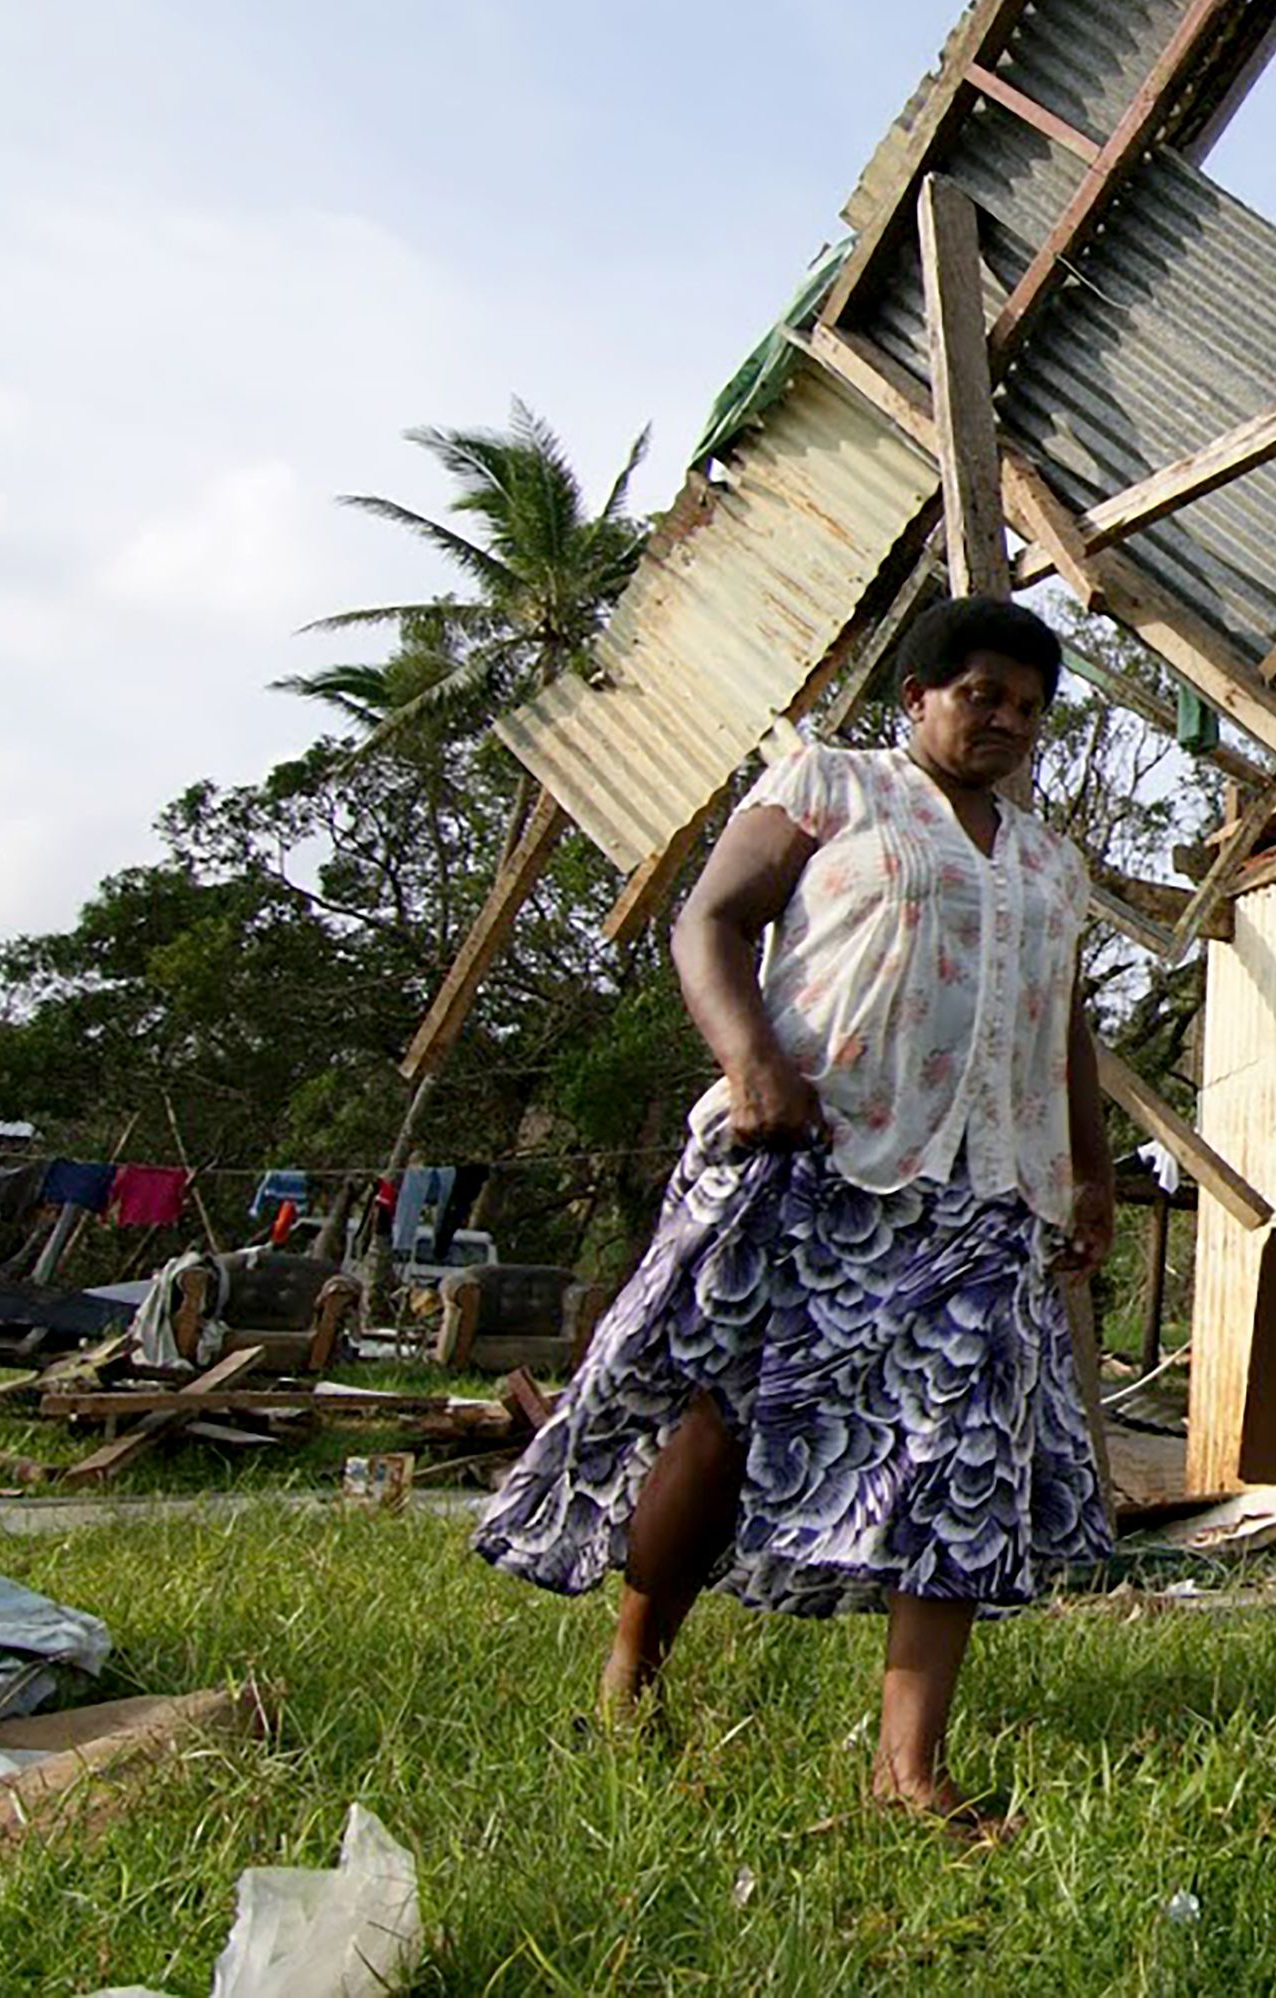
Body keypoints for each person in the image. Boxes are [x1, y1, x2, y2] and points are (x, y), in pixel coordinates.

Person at [474, 596, 1118, 1832]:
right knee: (721, 1424)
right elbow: (707, 921)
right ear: (917, 698)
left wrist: (1084, 1171)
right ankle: (634, 1670)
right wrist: (753, 1065)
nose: (1005, 722)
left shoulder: (1049, 862)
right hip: (813, 1155)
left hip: (985, 1192)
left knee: (959, 1457)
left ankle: (908, 1771)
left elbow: (1063, 1021)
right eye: (981, 693)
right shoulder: (829, 787)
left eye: (1028, 708)